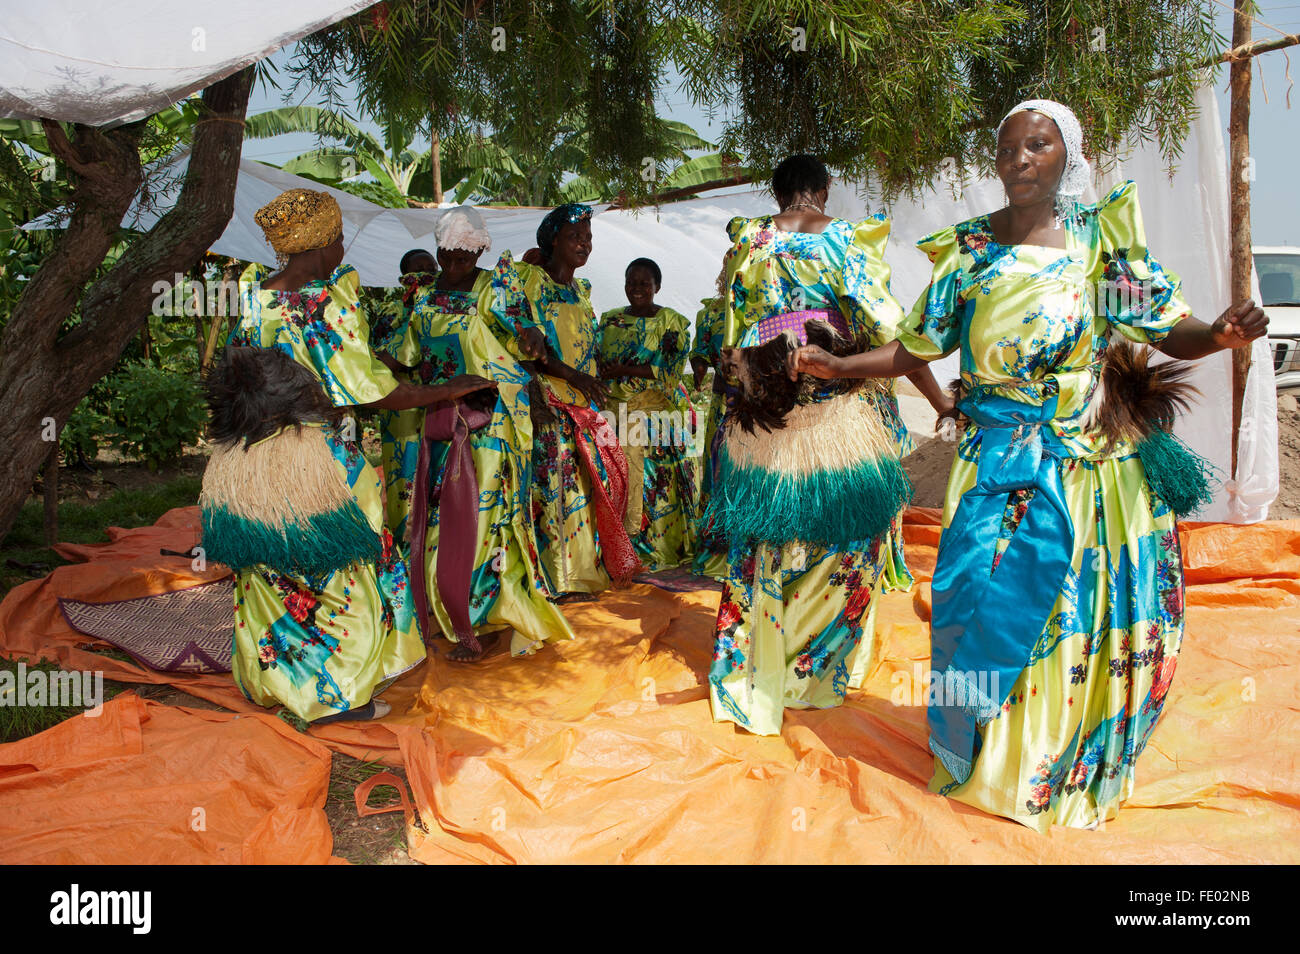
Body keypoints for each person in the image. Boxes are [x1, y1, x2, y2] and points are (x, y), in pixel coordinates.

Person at [790, 100, 1269, 830]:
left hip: (1086, 464)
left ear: (1065, 156)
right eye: (1008, 148)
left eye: (1037, 146)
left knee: (1070, 610)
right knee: (972, 596)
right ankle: (992, 756)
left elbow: (1169, 328)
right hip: (993, 460)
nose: (1019, 159)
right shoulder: (970, 252)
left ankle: (1055, 762)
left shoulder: (1096, 243)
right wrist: (838, 365)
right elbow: (917, 347)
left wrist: (1220, 333)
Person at [202, 189, 493, 722]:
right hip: (319, 464)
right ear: (319, 244)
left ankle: (274, 683)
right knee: (343, 573)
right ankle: (335, 699)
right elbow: (374, 391)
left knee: (271, 569)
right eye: (338, 239)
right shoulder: (324, 304)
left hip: (253, 460)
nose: (342, 249)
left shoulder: (252, 295)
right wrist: (447, 390)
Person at [707, 155, 952, 736]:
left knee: (765, 543)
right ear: (822, 191)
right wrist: (942, 402)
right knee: (845, 542)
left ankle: (753, 670)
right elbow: (896, 335)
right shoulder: (842, 240)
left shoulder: (748, 243)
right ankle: (814, 675)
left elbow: (732, 337)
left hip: (762, 422)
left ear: (778, 193)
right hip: (833, 413)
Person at [378, 208, 573, 662]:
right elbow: (403, 353)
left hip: (490, 424)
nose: (455, 259)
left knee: (483, 519)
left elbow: (524, 326)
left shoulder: (494, 286)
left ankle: (482, 617)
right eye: (448, 250)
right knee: (439, 516)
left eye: (466, 251)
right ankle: (445, 608)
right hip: (441, 420)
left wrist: (531, 340)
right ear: (439, 247)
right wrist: (356, 382)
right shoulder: (424, 294)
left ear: (480, 247)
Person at [486, 204, 639, 597]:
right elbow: (517, 329)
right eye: (575, 237)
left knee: (589, 490)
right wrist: (575, 377)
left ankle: (584, 571)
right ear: (553, 239)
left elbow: (583, 345)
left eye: (588, 238)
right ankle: (557, 578)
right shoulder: (530, 280)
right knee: (555, 489)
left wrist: (594, 374)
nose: (584, 245)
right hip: (549, 403)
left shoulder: (581, 291)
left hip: (583, 404)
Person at [596, 258, 698, 570]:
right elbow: (596, 358)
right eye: (631, 282)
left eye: (644, 283)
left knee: (657, 485)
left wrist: (625, 368)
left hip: (655, 415)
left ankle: (653, 551)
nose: (637, 289)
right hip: (613, 411)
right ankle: (619, 550)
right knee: (611, 477)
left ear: (657, 287)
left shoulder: (672, 322)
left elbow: (670, 370)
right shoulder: (610, 320)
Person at [372, 247, 440, 545]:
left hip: (438, 401)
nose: (425, 275)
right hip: (400, 408)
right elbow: (377, 361)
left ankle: (438, 545)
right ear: (403, 279)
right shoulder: (390, 312)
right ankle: (406, 545)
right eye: (418, 270)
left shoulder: (444, 307)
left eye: (431, 268)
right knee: (405, 475)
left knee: (439, 469)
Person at [688, 272, 730, 579]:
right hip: (725, 399)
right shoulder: (711, 312)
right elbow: (700, 352)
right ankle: (718, 548)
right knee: (719, 469)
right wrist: (699, 369)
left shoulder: (760, 305)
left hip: (761, 400)